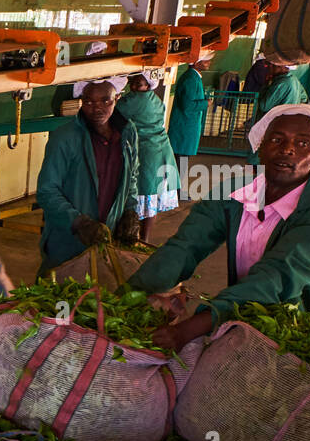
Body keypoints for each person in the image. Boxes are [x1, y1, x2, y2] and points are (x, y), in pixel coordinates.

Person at [127, 104, 310, 350]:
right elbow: (185, 246)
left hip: (307, 338)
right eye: (277, 139)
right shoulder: (233, 193)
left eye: (302, 144)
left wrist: (191, 327)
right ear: (260, 149)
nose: (287, 149)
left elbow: (279, 276)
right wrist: (131, 295)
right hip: (247, 322)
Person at [35, 76, 140, 274]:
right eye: (89, 101)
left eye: (105, 101)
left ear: (117, 98)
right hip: (68, 241)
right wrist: (79, 223)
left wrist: (130, 212)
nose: (96, 108)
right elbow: (47, 191)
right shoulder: (65, 138)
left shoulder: (128, 133)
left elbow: (131, 178)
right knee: (61, 294)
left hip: (108, 239)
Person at [116, 71, 180, 243]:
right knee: (152, 199)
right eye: (133, 82)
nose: (135, 87)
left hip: (146, 153)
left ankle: (135, 238)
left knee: (141, 196)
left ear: (148, 84)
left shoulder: (133, 100)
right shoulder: (156, 100)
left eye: (139, 83)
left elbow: (115, 112)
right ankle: (145, 238)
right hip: (162, 151)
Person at [168, 50, 213, 160]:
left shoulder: (193, 77)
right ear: (196, 63)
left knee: (180, 160)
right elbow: (187, 106)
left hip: (186, 127)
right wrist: (205, 103)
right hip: (184, 128)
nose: (209, 63)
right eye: (206, 61)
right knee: (180, 162)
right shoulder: (191, 79)